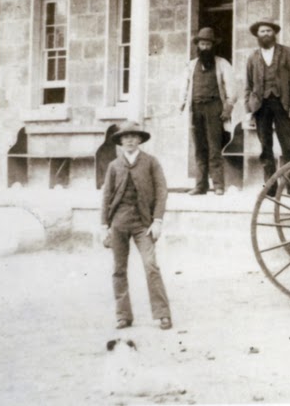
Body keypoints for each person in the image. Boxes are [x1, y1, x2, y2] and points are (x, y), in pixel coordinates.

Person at [100, 120, 172, 330]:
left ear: (139, 139)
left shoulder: (151, 162)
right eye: (126, 137)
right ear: (121, 141)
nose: (130, 140)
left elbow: (161, 192)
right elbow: (106, 196)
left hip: (143, 224)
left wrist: (157, 220)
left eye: (133, 136)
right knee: (118, 269)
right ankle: (123, 315)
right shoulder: (114, 166)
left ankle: (162, 314)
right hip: (119, 223)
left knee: (151, 265)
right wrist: (104, 225)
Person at [243, 19, 290, 183]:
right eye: (262, 31)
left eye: (269, 31)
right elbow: (248, 84)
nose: (266, 34)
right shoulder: (252, 57)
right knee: (265, 147)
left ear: (274, 33)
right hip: (261, 106)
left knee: (289, 146)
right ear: (257, 35)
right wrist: (248, 110)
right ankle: (270, 186)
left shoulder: (286, 52)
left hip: (283, 104)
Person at [179, 27, 234, 195]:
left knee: (214, 147)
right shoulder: (191, 65)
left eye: (208, 44)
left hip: (214, 109)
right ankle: (200, 185)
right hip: (196, 109)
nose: (205, 47)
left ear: (212, 46)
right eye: (202, 44)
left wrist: (228, 108)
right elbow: (184, 87)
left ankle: (218, 185)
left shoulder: (222, 64)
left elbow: (232, 89)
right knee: (199, 147)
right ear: (198, 45)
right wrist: (182, 104)